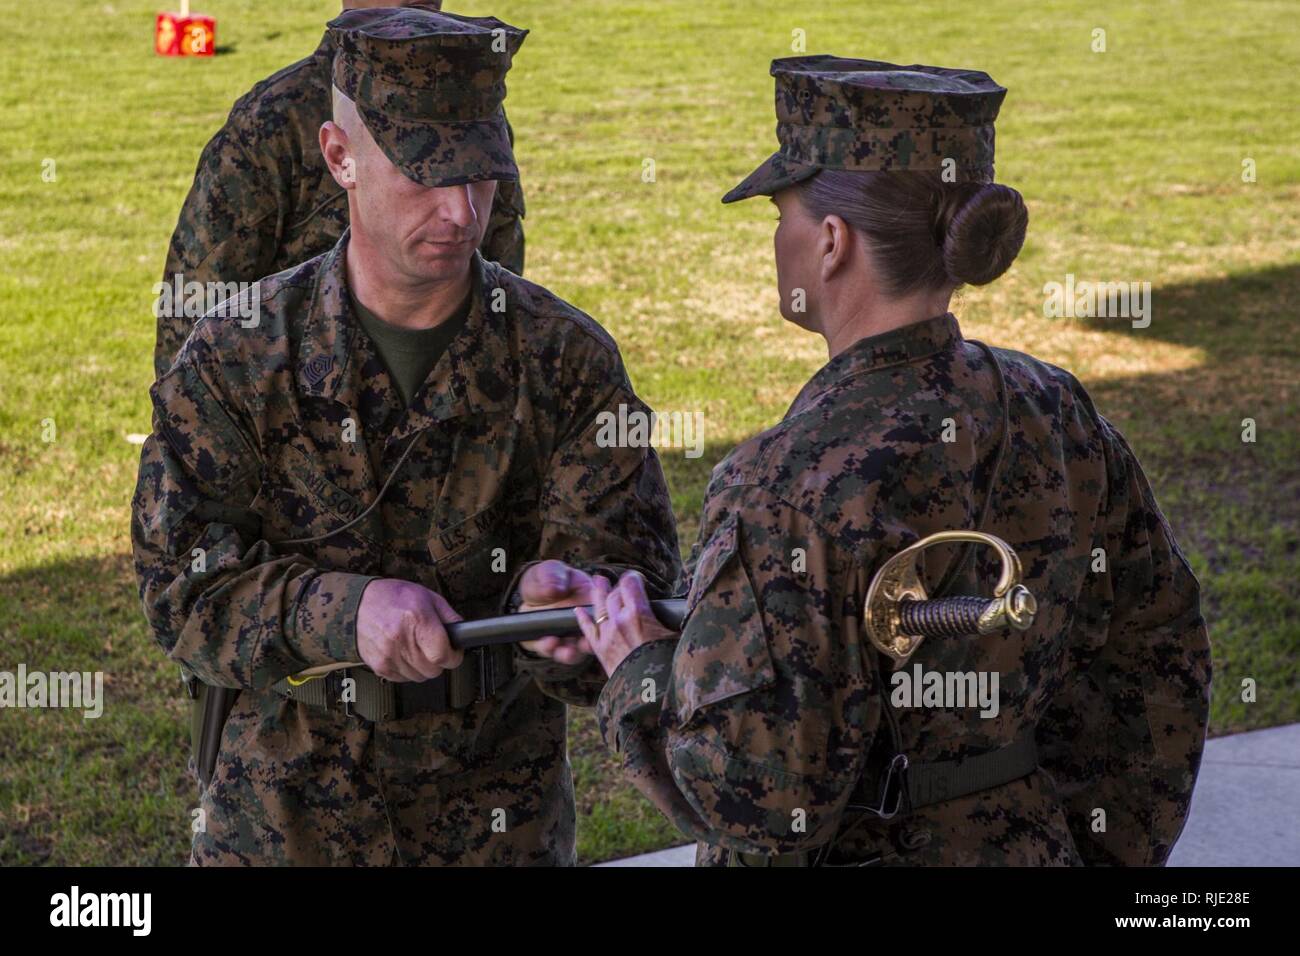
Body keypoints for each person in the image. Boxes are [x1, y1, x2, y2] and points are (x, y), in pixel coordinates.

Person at [576, 56, 1212, 867]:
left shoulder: (786, 482)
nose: (776, 240)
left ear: (831, 242)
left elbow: (757, 796)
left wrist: (638, 671)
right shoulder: (1054, 408)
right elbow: (1158, 652)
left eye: (782, 214)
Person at [131, 6, 679, 866]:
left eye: (482, 173)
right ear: (339, 157)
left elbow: (635, 587)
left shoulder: (565, 361)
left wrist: (561, 601)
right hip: (283, 818)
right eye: (425, 173)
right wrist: (344, 613)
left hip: (497, 816)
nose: (462, 210)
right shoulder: (237, 358)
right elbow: (181, 586)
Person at [155, 0, 526, 380]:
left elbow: (500, 280)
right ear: (335, 152)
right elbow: (194, 312)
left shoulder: (475, 109)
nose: (460, 209)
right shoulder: (275, 122)